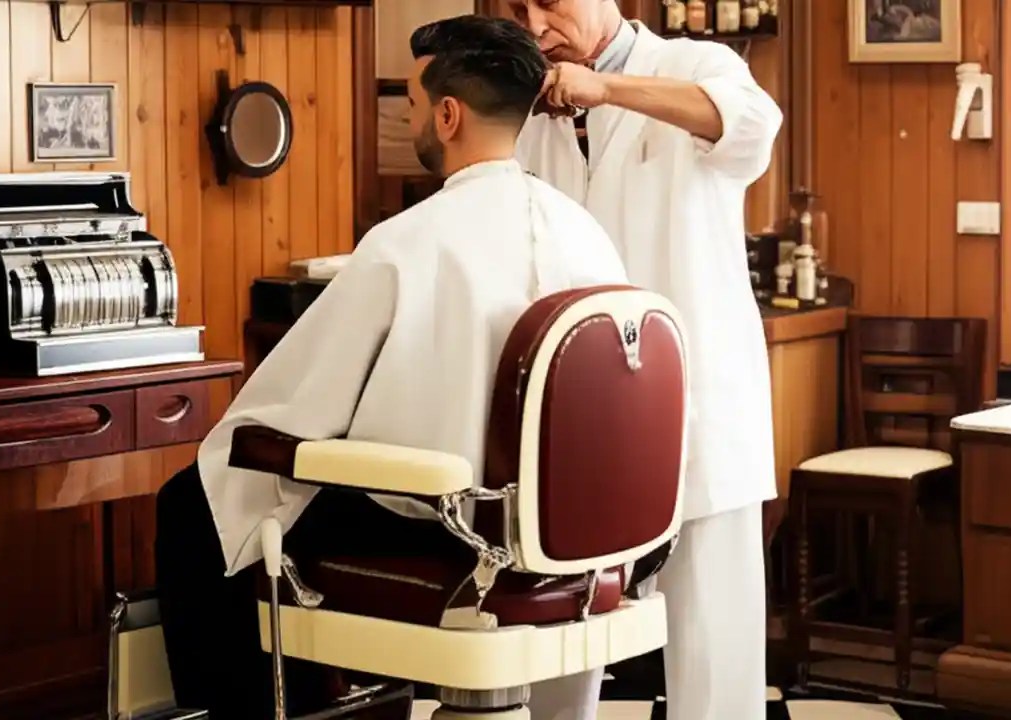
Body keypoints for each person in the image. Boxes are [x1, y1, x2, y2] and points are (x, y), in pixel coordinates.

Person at [153, 15, 629, 720]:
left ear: (448, 113)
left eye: (411, 105)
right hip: (576, 537)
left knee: (198, 501)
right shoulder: (585, 233)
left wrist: (245, 445)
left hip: (454, 539)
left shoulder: (407, 242)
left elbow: (291, 412)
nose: (412, 121)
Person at [506, 1, 784, 719]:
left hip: (698, 407)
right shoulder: (533, 115)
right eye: (516, 8)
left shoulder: (697, 66)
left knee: (713, 654)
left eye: (549, 3)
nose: (534, 25)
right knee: (560, 646)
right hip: (581, 416)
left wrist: (606, 88)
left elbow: (752, 126)